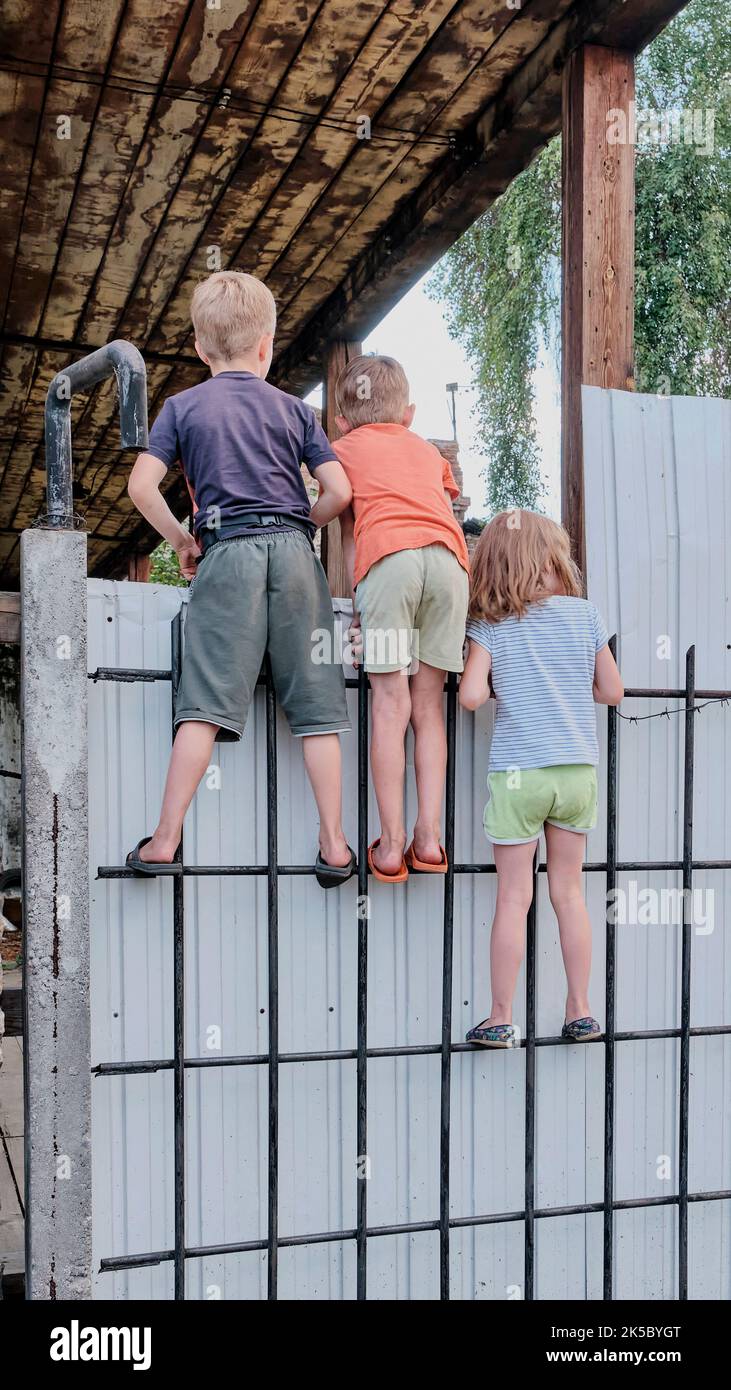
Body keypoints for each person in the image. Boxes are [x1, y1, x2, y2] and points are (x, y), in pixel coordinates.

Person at [124, 270, 355, 888]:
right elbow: (339, 491)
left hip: (226, 549)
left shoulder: (183, 407)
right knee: (318, 709)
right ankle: (335, 846)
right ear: (267, 344)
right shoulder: (294, 410)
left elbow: (140, 486)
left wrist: (182, 540)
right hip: (295, 552)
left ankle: (166, 839)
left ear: (200, 348)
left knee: (202, 707)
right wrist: (300, 524)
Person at [459, 510, 623, 1046]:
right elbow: (613, 691)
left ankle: (501, 1016)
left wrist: (505, 686)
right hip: (576, 772)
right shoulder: (585, 616)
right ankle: (580, 1009)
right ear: (554, 558)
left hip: (518, 775)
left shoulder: (491, 624)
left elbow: (471, 696)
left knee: (513, 898)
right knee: (569, 893)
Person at [332, 354, 470, 882]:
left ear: (342, 420)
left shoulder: (341, 450)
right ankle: (430, 838)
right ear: (408, 414)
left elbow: (351, 533)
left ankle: (391, 847)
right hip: (451, 562)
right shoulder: (429, 451)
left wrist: (360, 601)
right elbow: (441, 505)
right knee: (428, 707)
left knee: (390, 704)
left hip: (389, 557)